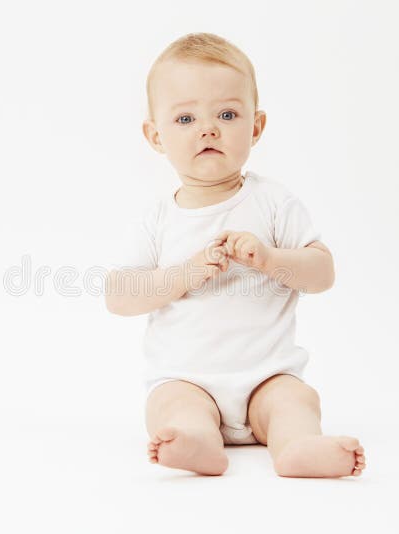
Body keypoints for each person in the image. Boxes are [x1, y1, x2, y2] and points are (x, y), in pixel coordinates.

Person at [105, 32, 366, 477]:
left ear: (256, 127)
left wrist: (270, 259)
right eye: (185, 119)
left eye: (227, 114)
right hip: (187, 378)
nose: (208, 129)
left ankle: (298, 446)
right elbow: (119, 296)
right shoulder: (157, 220)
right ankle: (197, 442)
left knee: (296, 400)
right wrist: (184, 274)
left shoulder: (273, 203)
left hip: (267, 376)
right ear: (156, 136)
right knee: (170, 405)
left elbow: (322, 273)